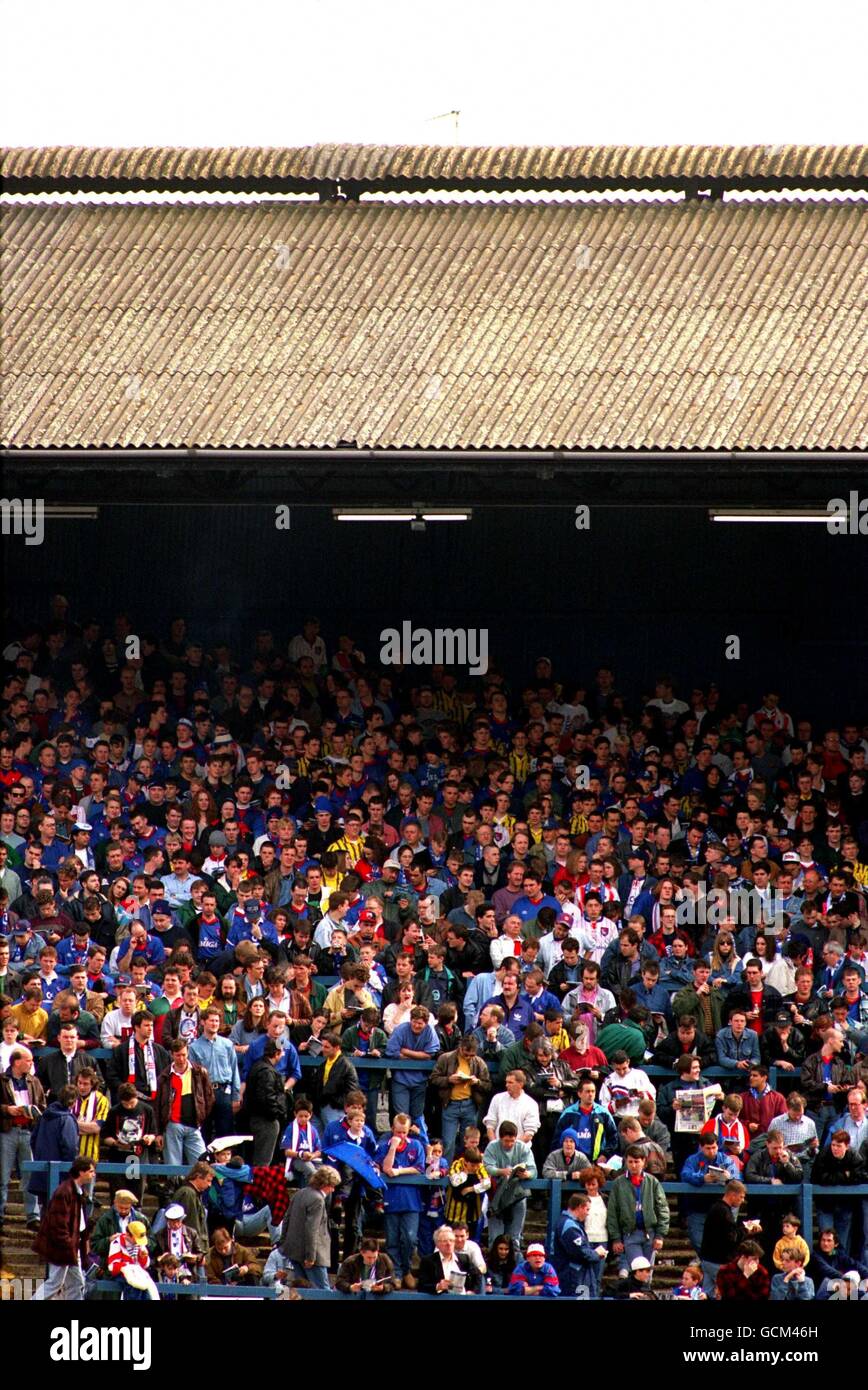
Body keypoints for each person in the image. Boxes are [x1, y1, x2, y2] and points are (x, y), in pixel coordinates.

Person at [32, 1155, 95, 1300]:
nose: (93, 1174)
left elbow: (79, 1222)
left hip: (71, 1246)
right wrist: (67, 1245)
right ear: (81, 1172)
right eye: (91, 1171)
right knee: (54, 1283)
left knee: (77, 1283)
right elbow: (58, 1224)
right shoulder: (65, 1191)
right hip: (62, 1247)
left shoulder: (77, 1191)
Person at [374, 1113, 426, 1281]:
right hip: (391, 1199)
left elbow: (419, 1168)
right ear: (392, 1130)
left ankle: (407, 1270)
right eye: (398, 1132)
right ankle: (395, 1272)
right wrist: (393, 1148)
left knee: (410, 1238)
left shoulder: (416, 1145)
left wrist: (400, 1171)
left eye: (404, 1132)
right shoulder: (384, 1146)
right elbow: (386, 1168)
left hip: (412, 1201)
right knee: (392, 1239)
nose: (402, 1136)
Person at [606, 1145, 670, 1278]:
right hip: (630, 1234)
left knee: (647, 1274)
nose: (634, 1165)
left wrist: (660, 1235)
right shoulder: (619, 1183)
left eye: (637, 1161)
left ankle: (645, 1296)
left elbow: (662, 1209)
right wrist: (616, 1238)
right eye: (630, 1162)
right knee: (638, 1269)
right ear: (626, 1162)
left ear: (644, 1162)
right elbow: (613, 1212)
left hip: (650, 1233)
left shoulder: (652, 1182)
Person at [0, 1045, 45, 1231]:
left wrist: (33, 1112)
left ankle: (33, 1215)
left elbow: (42, 1104)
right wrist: (6, 1109)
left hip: (28, 1131)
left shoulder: (34, 1081)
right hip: (7, 1132)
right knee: (2, 1176)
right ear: (17, 1062)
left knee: (30, 1176)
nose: (31, 1063)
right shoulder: (2, 1080)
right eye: (28, 1060)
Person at [279, 1164, 341, 1289]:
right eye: (332, 1186)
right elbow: (312, 1229)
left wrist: (283, 1243)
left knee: (303, 1290)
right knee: (322, 1291)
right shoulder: (318, 1199)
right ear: (325, 1184)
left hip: (293, 1251)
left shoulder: (299, 1193)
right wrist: (310, 1256)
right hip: (311, 1255)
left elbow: (286, 1219)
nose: (333, 1190)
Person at [429, 1034, 491, 1161]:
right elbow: (433, 1078)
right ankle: (446, 1171)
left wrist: (477, 1082)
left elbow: (488, 1085)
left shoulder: (479, 1062)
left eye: (472, 1055)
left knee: (469, 1143)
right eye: (466, 1054)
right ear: (460, 1048)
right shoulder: (446, 1058)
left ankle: (467, 1169)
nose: (468, 1057)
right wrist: (448, 1079)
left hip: (470, 1104)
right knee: (448, 1142)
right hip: (450, 1104)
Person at [155, 1038, 214, 1166]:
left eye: (183, 1055)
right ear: (172, 1054)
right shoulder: (164, 1077)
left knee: (202, 1164)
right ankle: (173, 1186)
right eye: (178, 1055)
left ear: (187, 1053)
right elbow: (158, 1106)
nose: (181, 1059)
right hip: (172, 1125)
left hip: (194, 1125)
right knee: (173, 1166)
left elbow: (208, 1098)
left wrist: (201, 1117)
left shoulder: (199, 1073)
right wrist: (158, 1132)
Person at [482, 1120, 537, 1254]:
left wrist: (526, 1174)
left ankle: (515, 1268)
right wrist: (501, 1171)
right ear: (500, 1138)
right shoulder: (492, 1147)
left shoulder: (522, 1147)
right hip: (497, 1194)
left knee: (515, 1237)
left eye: (512, 1140)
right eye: (506, 1141)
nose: (509, 1144)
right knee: (495, 1237)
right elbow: (487, 1167)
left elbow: (533, 1170)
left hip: (517, 1194)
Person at [244, 1038, 289, 1164]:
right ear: (276, 1054)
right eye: (282, 1052)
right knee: (262, 1161)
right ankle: (259, 1183)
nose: (284, 1055)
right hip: (266, 1121)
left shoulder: (258, 1066)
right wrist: (277, 1113)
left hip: (259, 1119)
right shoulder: (266, 1072)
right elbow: (267, 1099)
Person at [552, 1192, 606, 1297]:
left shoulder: (565, 1222)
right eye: (587, 1209)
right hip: (573, 1277)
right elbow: (580, 1252)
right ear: (580, 1207)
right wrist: (596, 1253)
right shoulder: (570, 1226)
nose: (588, 1213)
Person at [417, 1222, 482, 1294]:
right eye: (445, 1241)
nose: (449, 1244)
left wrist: (472, 1291)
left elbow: (477, 1275)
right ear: (437, 1244)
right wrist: (438, 1286)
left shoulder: (464, 1259)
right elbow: (422, 1286)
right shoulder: (428, 1261)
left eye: (451, 1240)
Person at [483, 1069, 540, 1145]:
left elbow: (529, 1133)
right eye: (506, 1082)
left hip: (520, 1150)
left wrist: (512, 1147)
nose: (506, 1085)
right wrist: (494, 1146)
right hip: (497, 1149)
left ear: (520, 1084)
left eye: (510, 1082)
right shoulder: (497, 1098)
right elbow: (490, 1126)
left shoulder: (531, 1104)